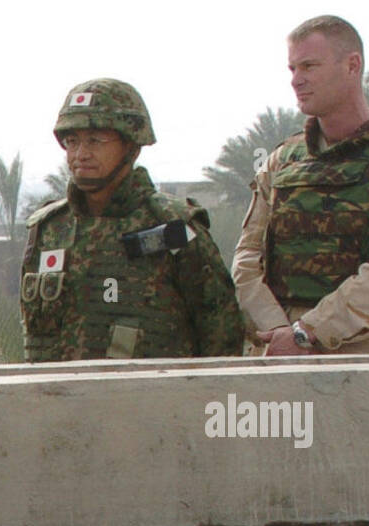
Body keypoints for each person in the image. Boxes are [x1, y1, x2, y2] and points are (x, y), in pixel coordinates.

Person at [232, 15, 369, 355]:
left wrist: (310, 331)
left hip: (368, 357)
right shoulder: (282, 161)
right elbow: (247, 259)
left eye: (309, 66)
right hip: (281, 354)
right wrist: (278, 329)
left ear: (352, 66)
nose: (297, 80)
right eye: (292, 69)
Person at [21, 79, 243, 363]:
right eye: (72, 141)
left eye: (96, 140)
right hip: (58, 401)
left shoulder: (174, 228)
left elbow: (222, 338)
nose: (80, 154)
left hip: (153, 401)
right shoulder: (49, 230)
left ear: (131, 146)